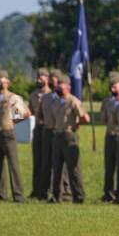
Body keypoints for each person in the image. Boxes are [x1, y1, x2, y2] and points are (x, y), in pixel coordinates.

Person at [0, 71, 29, 203]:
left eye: (4, 81)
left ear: (8, 83)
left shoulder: (13, 98)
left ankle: (18, 195)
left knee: (13, 165)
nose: (1, 84)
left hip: (8, 133)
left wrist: (13, 122)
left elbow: (23, 114)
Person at [49, 75, 89, 203]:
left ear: (67, 87)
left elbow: (85, 118)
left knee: (73, 168)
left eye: (60, 84)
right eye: (57, 84)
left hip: (69, 135)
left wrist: (76, 124)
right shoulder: (55, 101)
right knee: (57, 167)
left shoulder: (73, 101)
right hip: (57, 135)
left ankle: (78, 196)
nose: (57, 87)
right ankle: (56, 196)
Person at [29, 68, 52, 199]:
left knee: (47, 160)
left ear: (47, 79)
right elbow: (30, 110)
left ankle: (46, 189)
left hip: (48, 129)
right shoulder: (33, 95)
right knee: (37, 160)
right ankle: (36, 189)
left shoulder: (52, 95)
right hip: (37, 129)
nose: (39, 79)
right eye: (38, 76)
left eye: (42, 77)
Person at [101, 74, 119, 202]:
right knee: (109, 166)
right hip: (110, 135)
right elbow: (104, 118)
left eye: (116, 85)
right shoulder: (107, 101)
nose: (113, 88)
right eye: (111, 85)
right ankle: (108, 192)